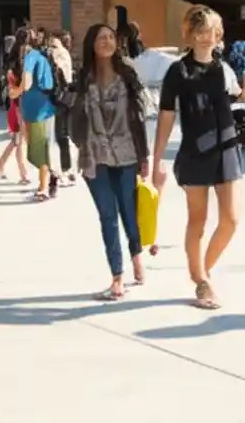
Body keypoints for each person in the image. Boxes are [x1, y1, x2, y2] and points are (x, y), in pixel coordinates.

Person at [153, 5, 245, 310]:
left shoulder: (223, 69)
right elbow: (166, 116)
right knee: (197, 221)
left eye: (212, 32)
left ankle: (203, 271)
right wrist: (157, 158)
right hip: (194, 153)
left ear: (218, 35)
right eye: (200, 32)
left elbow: (241, 99)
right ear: (190, 34)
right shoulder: (178, 71)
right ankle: (201, 281)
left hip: (226, 149)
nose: (206, 37)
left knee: (230, 220)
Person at [68, 23, 152, 301]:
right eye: (100, 38)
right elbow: (73, 114)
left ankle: (136, 256)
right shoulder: (83, 79)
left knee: (129, 210)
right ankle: (117, 277)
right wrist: (78, 142)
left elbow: (139, 117)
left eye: (110, 37)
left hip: (126, 153)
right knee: (107, 216)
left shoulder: (127, 74)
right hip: (94, 156)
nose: (106, 41)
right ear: (92, 44)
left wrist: (144, 156)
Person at [19, 27, 60, 201]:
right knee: (39, 147)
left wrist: (16, 91)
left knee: (39, 148)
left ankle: (44, 186)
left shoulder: (31, 56)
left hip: (37, 109)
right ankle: (50, 176)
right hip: (41, 106)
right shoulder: (40, 56)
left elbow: (27, 84)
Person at [0, 28, 31, 184]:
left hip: (15, 102)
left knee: (17, 140)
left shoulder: (12, 60)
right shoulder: (26, 58)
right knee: (20, 140)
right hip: (21, 102)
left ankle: (2, 165)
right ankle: (22, 173)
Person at [46, 30, 78, 185]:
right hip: (67, 99)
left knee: (59, 136)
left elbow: (57, 76)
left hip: (58, 100)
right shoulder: (66, 54)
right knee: (65, 135)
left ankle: (65, 170)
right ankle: (70, 169)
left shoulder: (58, 54)